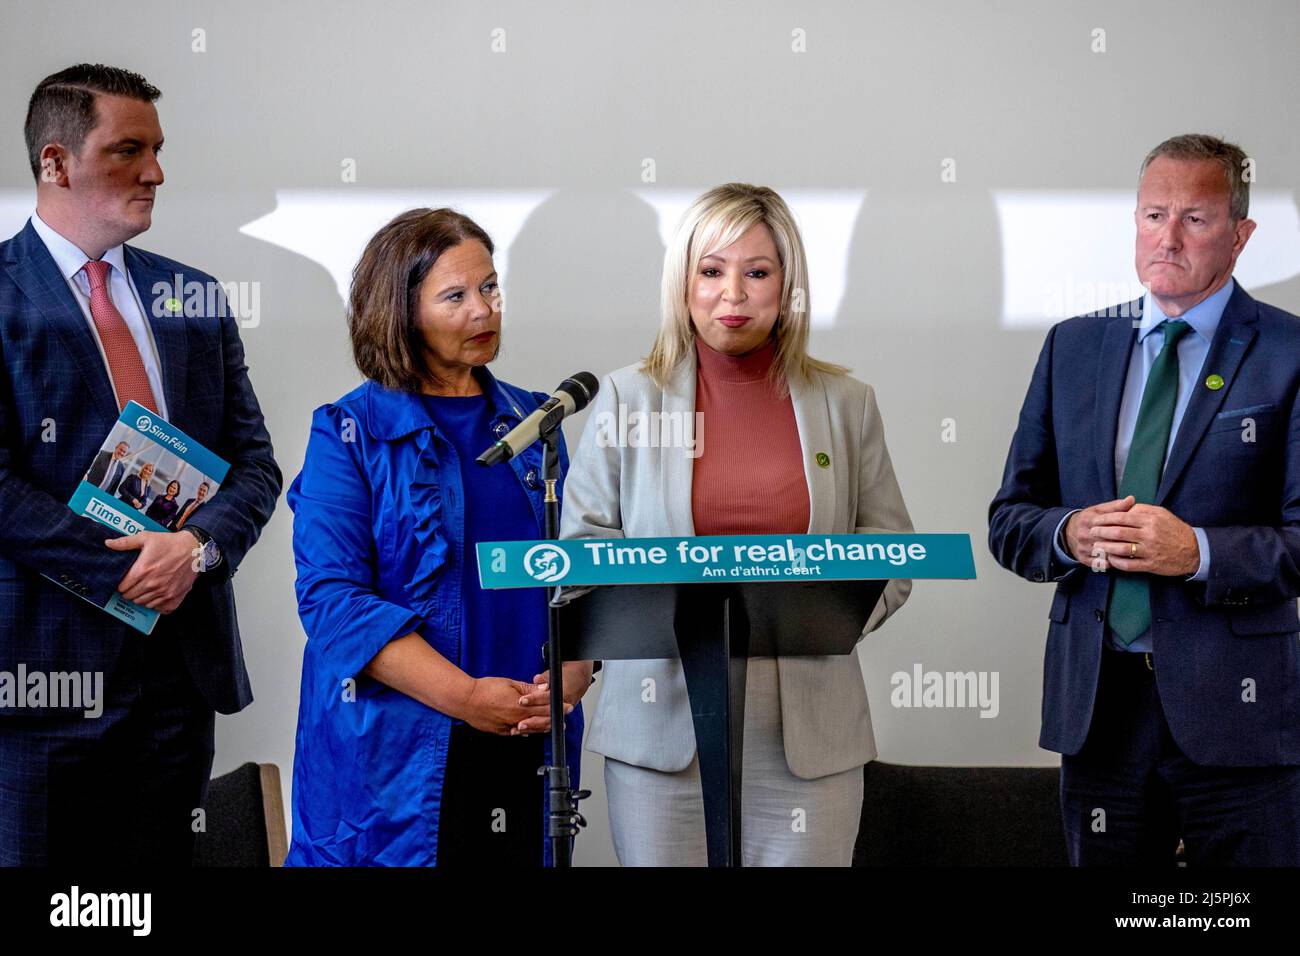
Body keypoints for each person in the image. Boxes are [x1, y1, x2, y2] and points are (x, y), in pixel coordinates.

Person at [561, 183, 913, 866]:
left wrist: (827, 616)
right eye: (711, 271)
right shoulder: (627, 397)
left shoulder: (848, 403)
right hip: (661, 724)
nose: (734, 293)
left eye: (757, 273)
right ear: (683, 282)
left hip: (810, 729)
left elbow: (891, 553)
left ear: (788, 286)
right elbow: (581, 549)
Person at [988, 134, 1300, 865]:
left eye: (1195, 218)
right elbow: (1010, 518)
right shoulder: (1074, 347)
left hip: (1239, 716)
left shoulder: (1289, 354)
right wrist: (1069, 534)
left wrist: (1198, 552)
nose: (1168, 236)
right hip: (1100, 712)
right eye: (1153, 215)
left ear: (1241, 234)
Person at [0, 64, 281, 865]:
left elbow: (254, 466)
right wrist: (126, 567)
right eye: (129, 150)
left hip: (176, 686)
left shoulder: (193, 298)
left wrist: (193, 551)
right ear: (55, 163)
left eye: (157, 150)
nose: (155, 172)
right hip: (39, 687)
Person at [286, 208, 589, 866]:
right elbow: (332, 603)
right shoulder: (348, 432)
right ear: (401, 312)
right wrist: (466, 698)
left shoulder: (536, 421)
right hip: (400, 754)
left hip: (530, 739)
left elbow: (577, 571)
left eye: (490, 287)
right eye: (455, 296)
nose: (483, 310)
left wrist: (577, 669)